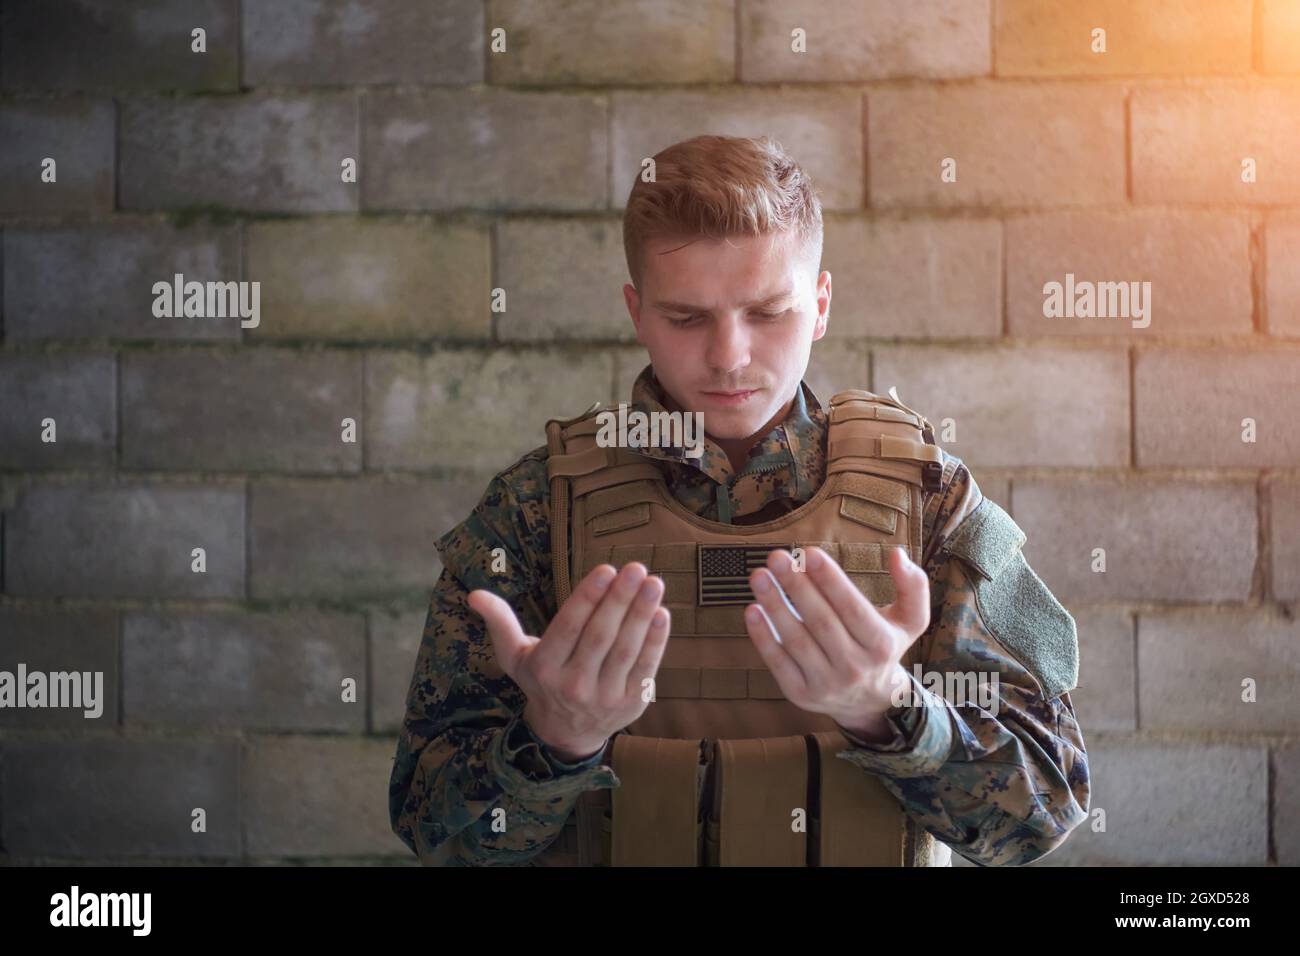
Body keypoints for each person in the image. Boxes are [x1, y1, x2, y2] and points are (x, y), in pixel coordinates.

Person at [389, 134, 1089, 866]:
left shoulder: (930, 498)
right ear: (637, 312)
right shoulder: (536, 510)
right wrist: (553, 739)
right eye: (687, 318)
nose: (729, 357)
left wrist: (891, 711)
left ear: (819, 305)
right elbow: (436, 834)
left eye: (767, 313)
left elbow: (1044, 812)